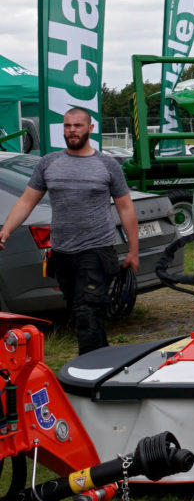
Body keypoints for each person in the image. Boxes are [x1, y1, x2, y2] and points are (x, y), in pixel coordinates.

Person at [0, 107, 140, 355]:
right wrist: (6, 230)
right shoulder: (49, 163)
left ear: (90, 128)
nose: (72, 130)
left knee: (87, 310)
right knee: (82, 310)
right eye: (67, 126)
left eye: (77, 125)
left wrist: (133, 250)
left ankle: (88, 369)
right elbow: (26, 201)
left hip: (96, 250)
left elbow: (126, 207)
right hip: (62, 252)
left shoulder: (107, 165)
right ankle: (103, 360)